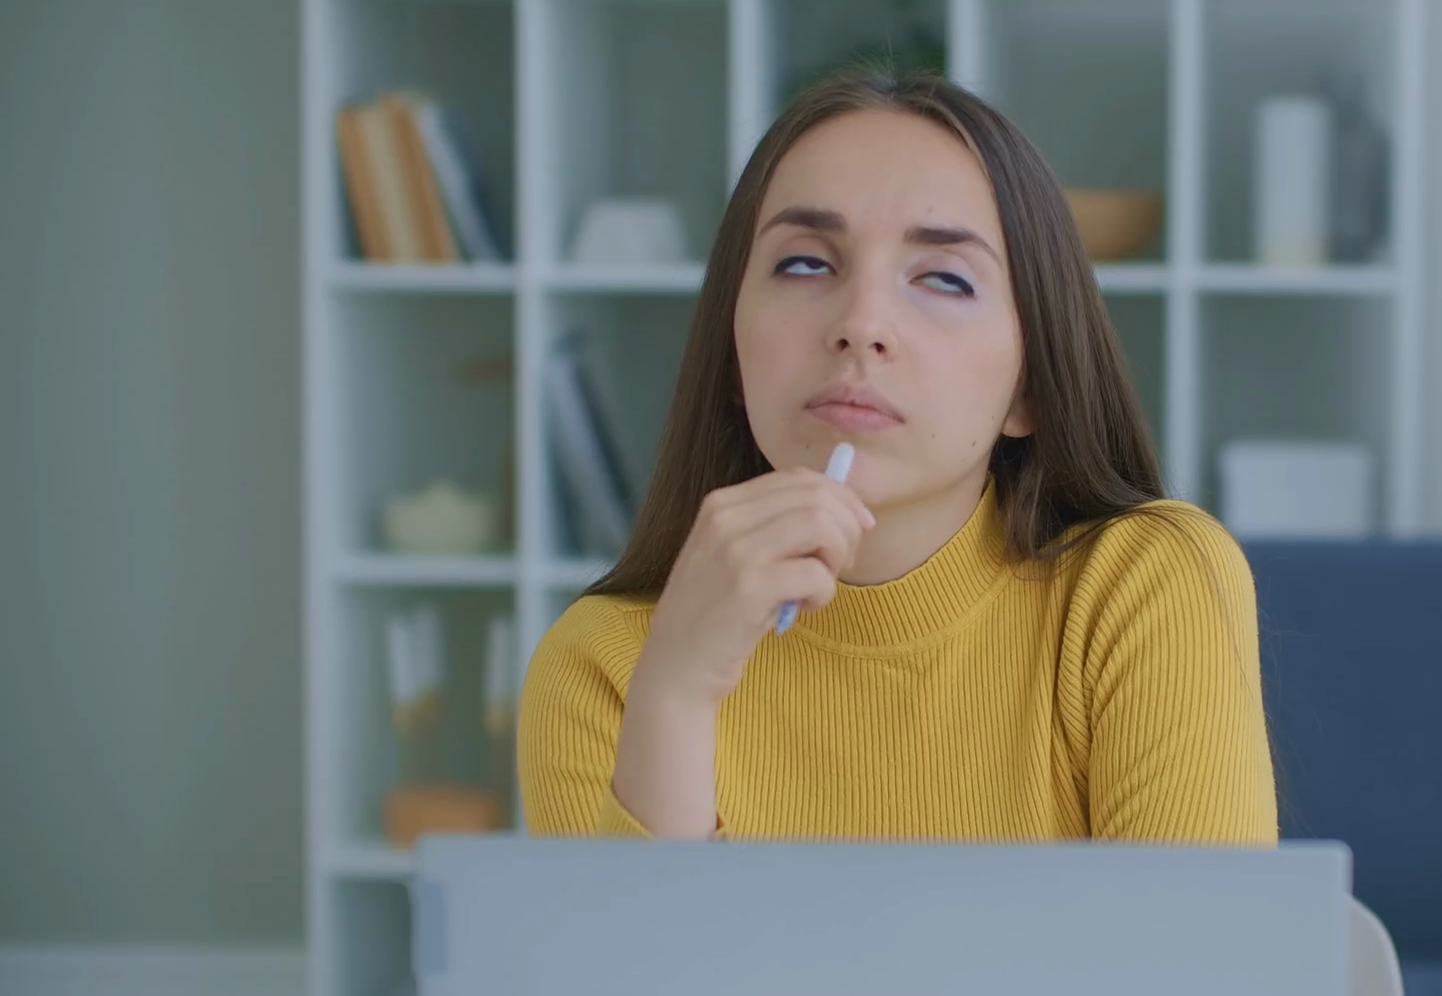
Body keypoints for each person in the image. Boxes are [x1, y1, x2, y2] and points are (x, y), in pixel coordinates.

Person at [519, 70, 1278, 844]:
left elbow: (1194, 964)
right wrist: (675, 702)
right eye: (806, 264)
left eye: (945, 278)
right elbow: (636, 970)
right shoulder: (603, 665)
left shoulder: (1146, 585)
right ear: (733, 351)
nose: (862, 323)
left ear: (1031, 387)